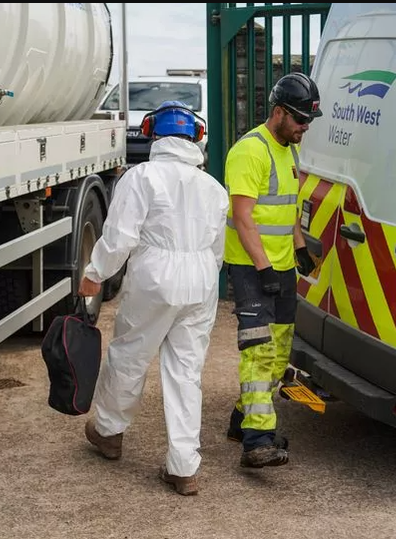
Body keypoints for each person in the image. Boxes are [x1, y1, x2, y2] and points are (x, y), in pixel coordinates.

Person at [77, 101, 229, 496]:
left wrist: (94, 274)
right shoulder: (213, 187)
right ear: (195, 137)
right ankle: (183, 468)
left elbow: (121, 237)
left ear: (153, 134)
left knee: (130, 354)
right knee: (186, 370)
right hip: (201, 279)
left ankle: (109, 433)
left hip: (155, 276)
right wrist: (204, 276)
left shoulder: (141, 176)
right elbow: (217, 249)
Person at [223, 72, 322, 468]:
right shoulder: (250, 152)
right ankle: (257, 441)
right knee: (259, 351)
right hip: (252, 267)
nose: (304, 128)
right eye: (300, 120)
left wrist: (298, 250)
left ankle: (240, 420)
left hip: (281, 265)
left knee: (279, 354)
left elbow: (289, 208)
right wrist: (263, 268)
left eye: (309, 122)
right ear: (278, 112)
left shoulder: (289, 150)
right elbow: (243, 217)